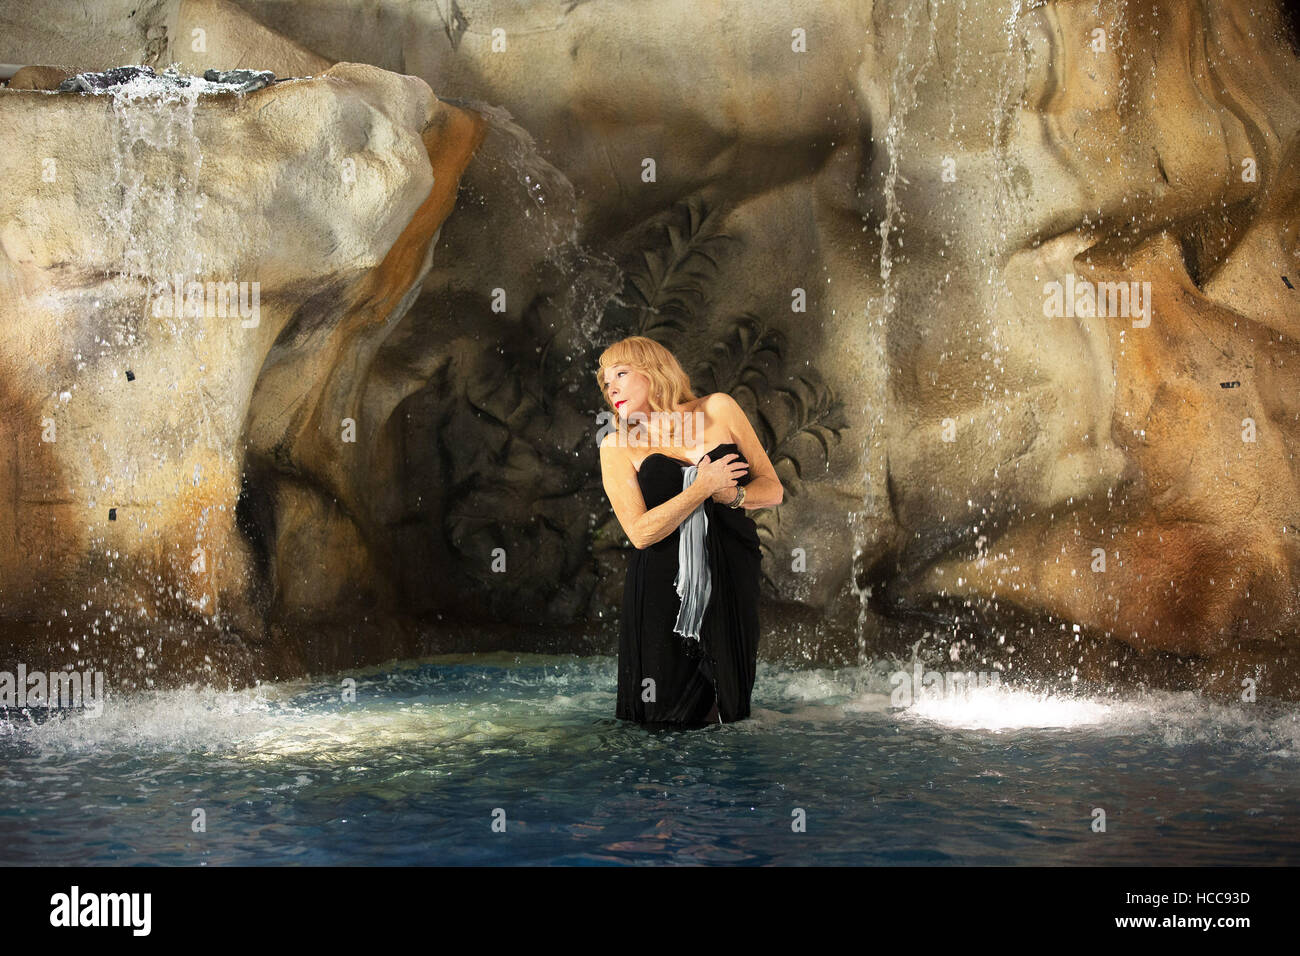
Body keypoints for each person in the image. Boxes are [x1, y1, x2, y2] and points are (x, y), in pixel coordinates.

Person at [596, 336, 783, 727]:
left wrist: (732, 494)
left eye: (621, 373)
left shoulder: (718, 408)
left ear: (653, 370)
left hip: (732, 573)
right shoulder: (616, 446)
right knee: (664, 720)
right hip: (662, 588)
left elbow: (773, 489)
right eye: (604, 380)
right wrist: (701, 486)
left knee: (732, 714)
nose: (610, 386)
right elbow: (640, 533)